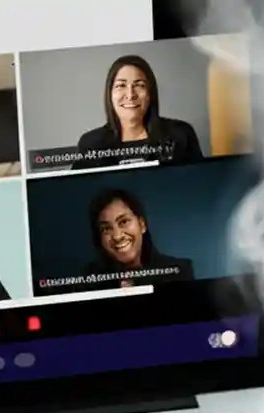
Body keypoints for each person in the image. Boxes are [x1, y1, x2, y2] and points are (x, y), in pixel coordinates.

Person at [73, 55, 204, 169]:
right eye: (121, 85)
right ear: (110, 94)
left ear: (150, 93)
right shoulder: (90, 144)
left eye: (139, 85)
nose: (130, 95)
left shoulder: (180, 134)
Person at [78, 188, 194, 290]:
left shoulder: (178, 272)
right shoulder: (88, 281)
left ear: (142, 225)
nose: (117, 236)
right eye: (106, 229)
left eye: (123, 222)